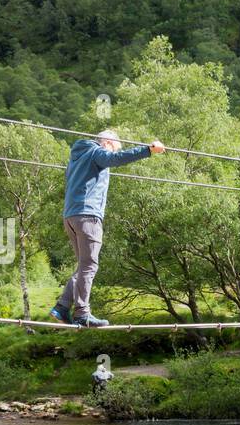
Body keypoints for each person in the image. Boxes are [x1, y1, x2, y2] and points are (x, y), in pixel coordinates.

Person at [49, 129, 165, 328]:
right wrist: (148, 150)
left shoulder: (77, 158)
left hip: (71, 216)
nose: (112, 152)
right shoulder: (96, 152)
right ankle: (82, 313)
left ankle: (62, 307)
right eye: (114, 147)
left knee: (83, 266)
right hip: (88, 216)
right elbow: (115, 158)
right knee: (89, 266)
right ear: (108, 143)